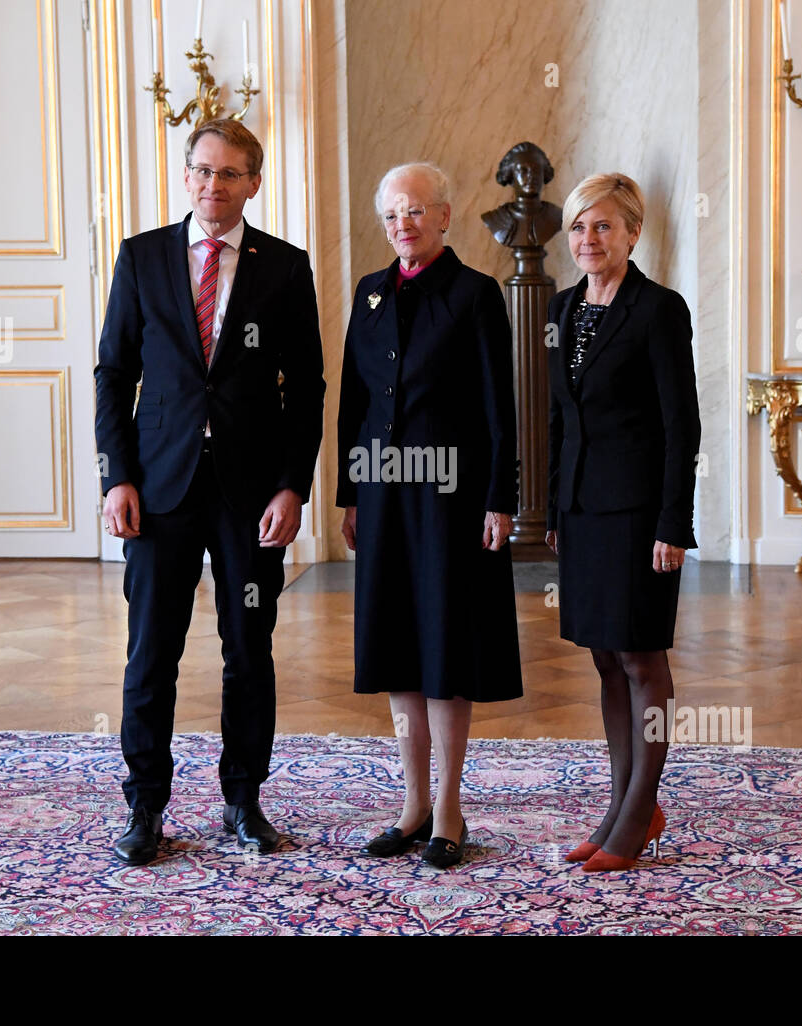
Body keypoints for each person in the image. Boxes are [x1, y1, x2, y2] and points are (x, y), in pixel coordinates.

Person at [95, 118, 325, 865]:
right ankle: (146, 806)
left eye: (229, 174)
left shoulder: (285, 268)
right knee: (149, 652)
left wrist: (293, 487)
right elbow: (113, 375)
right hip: (157, 492)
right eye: (201, 170)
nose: (212, 185)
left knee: (247, 651)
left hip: (249, 494)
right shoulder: (141, 258)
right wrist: (117, 476)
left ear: (254, 182)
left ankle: (243, 798)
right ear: (186, 175)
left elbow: (309, 389)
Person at [337, 161, 523, 869]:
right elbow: (354, 399)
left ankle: (449, 808)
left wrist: (501, 498)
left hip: (452, 500)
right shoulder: (371, 292)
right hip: (383, 494)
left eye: (414, 211)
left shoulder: (475, 295)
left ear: (444, 216)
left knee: (445, 649)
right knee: (396, 645)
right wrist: (349, 494)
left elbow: (497, 407)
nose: (401, 225)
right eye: (390, 215)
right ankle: (412, 805)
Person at [545, 172, 700, 872]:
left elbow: (680, 425)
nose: (588, 239)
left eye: (603, 226)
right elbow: (557, 419)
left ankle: (638, 813)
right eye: (579, 227)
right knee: (605, 658)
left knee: (641, 659)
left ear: (633, 232)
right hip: (581, 511)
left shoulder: (659, 310)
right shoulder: (561, 310)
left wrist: (674, 523)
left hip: (640, 515)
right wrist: (553, 508)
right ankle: (621, 805)